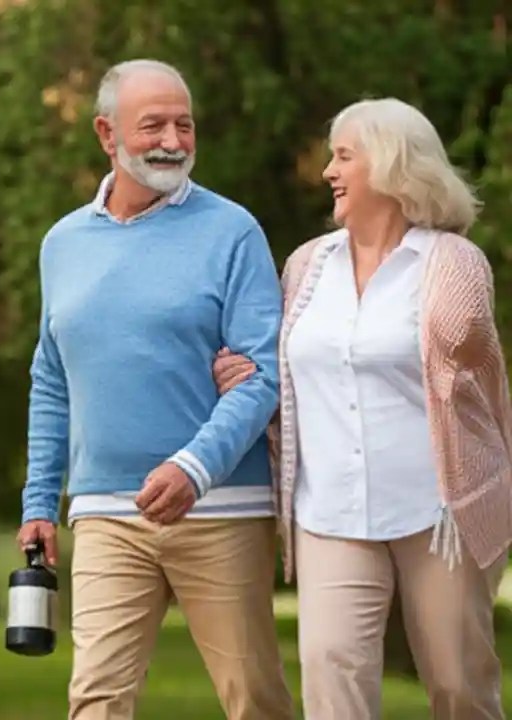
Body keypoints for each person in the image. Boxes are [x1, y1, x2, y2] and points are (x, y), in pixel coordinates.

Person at [214, 97, 511, 720]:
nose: (328, 171)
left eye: (344, 156)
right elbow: (288, 376)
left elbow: (472, 351)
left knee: (459, 684)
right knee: (331, 680)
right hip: (329, 509)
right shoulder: (305, 266)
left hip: (437, 511)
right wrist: (248, 376)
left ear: (393, 166)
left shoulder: (451, 262)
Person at [16, 58, 294, 720]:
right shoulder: (63, 244)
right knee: (95, 699)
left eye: (185, 123)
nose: (173, 139)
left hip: (222, 508)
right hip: (106, 512)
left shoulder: (232, 231)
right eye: (154, 125)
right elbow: (52, 380)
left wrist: (193, 468)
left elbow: (262, 377)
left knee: (254, 699)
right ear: (106, 134)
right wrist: (37, 500)